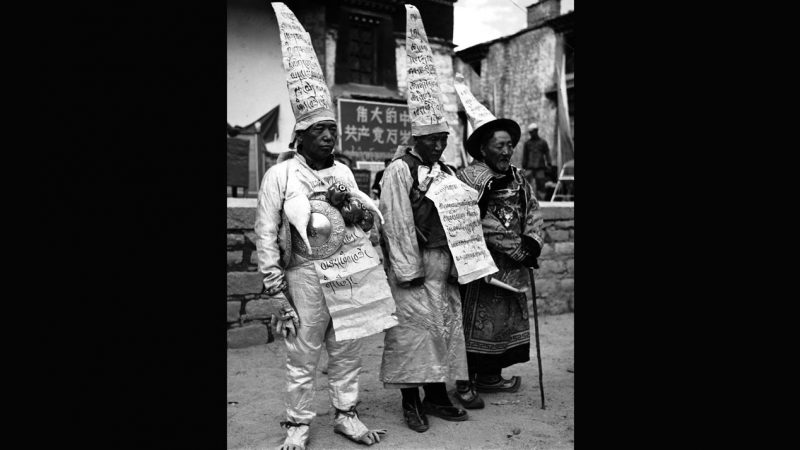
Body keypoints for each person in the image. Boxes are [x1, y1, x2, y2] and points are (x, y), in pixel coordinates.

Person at [255, 4, 392, 449]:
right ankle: (297, 423)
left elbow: (364, 220)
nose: (331, 137)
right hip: (304, 276)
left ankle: (346, 414)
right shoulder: (281, 176)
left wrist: (351, 207)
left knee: (348, 346)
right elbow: (264, 233)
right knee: (302, 352)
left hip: (347, 272)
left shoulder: (344, 173)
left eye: (334, 130)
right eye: (322, 132)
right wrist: (276, 287)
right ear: (301, 138)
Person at [378, 4, 469, 434]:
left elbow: (460, 220)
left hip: (443, 265)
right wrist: (407, 268)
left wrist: (462, 262)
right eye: (431, 140)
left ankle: (436, 395)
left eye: (443, 140)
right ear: (417, 136)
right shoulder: (400, 170)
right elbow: (395, 223)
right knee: (412, 334)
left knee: (442, 332)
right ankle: (410, 402)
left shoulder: (447, 172)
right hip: (413, 266)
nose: (438, 147)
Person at [453, 74, 545, 410]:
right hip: (482, 265)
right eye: (500, 146)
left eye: (510, 145)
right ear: (482, 148)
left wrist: (533, 241)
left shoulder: (519, 177)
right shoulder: (471, 180)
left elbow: (532, 208)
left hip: (513, 266)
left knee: (503, 322)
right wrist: (517, 248)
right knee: (475, 320)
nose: (507, 151)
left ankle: (491, 376)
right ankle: (466, 379)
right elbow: (479, 221)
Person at [521, 123, 553, 200]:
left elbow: (547, 153)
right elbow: (525, 155)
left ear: (536, 131)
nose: (531, 134)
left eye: (532, 132)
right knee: (526, 184)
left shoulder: (543, 142)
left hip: (540, 168)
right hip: (529, 167)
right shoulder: (527, 143)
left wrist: (549, 164)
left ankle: (542, 200)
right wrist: (523, 166)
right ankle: (528, 200)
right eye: (530, 132)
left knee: (541, 184)